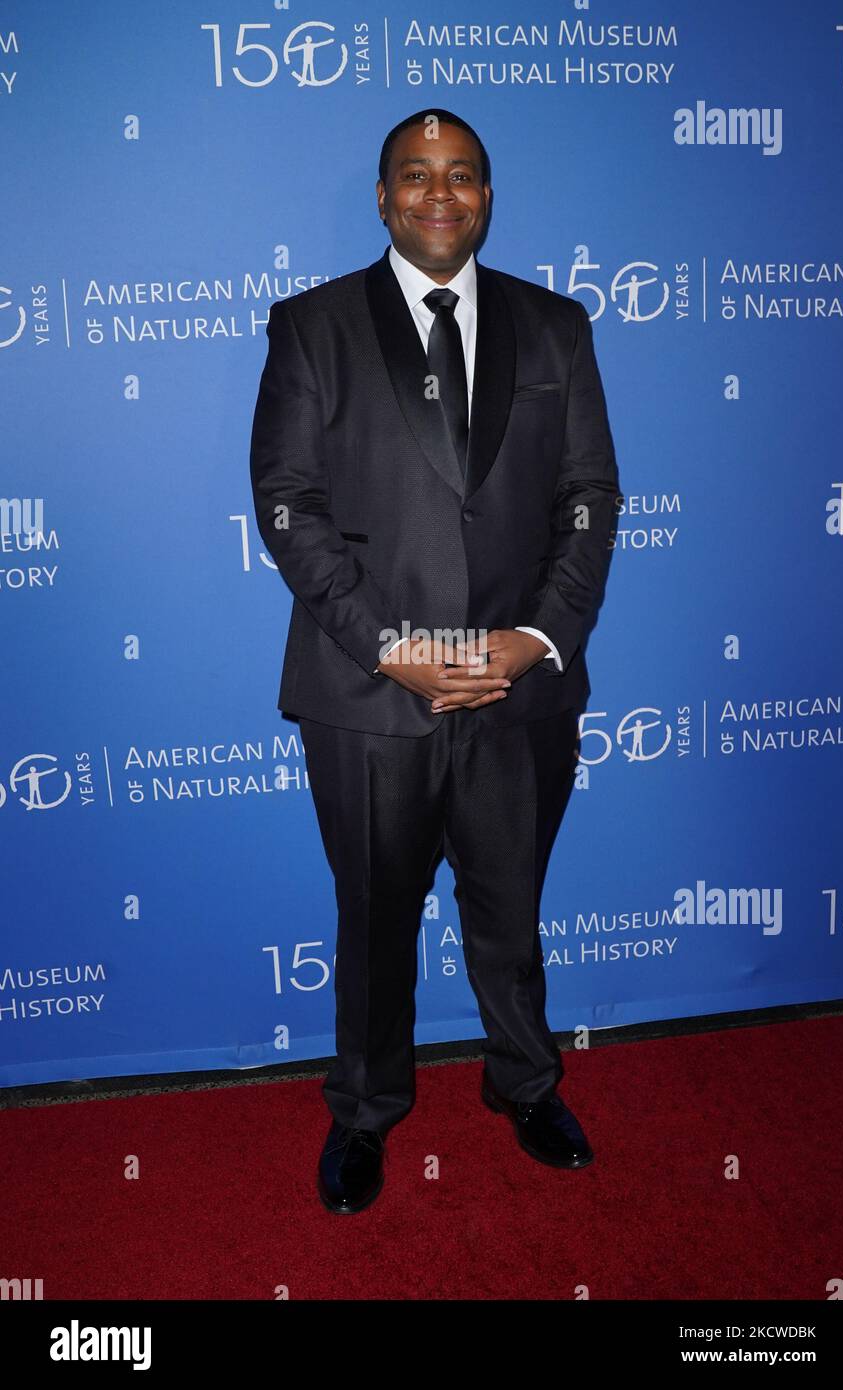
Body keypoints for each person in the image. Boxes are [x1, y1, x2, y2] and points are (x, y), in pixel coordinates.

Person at [250, 108, 620, 1214]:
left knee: (509, 908)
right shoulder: (310, 327)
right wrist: (392, 648)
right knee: (373, 916)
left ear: (488, 195)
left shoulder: (555, 327)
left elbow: (589, 499)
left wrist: (534, 637)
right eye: (415, 176)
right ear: (381, 197)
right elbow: (288, 506)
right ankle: (364, 1111)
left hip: (517, 690)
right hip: (369, 696)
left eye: (461, 175)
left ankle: (525, 1083)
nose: (439, 193)